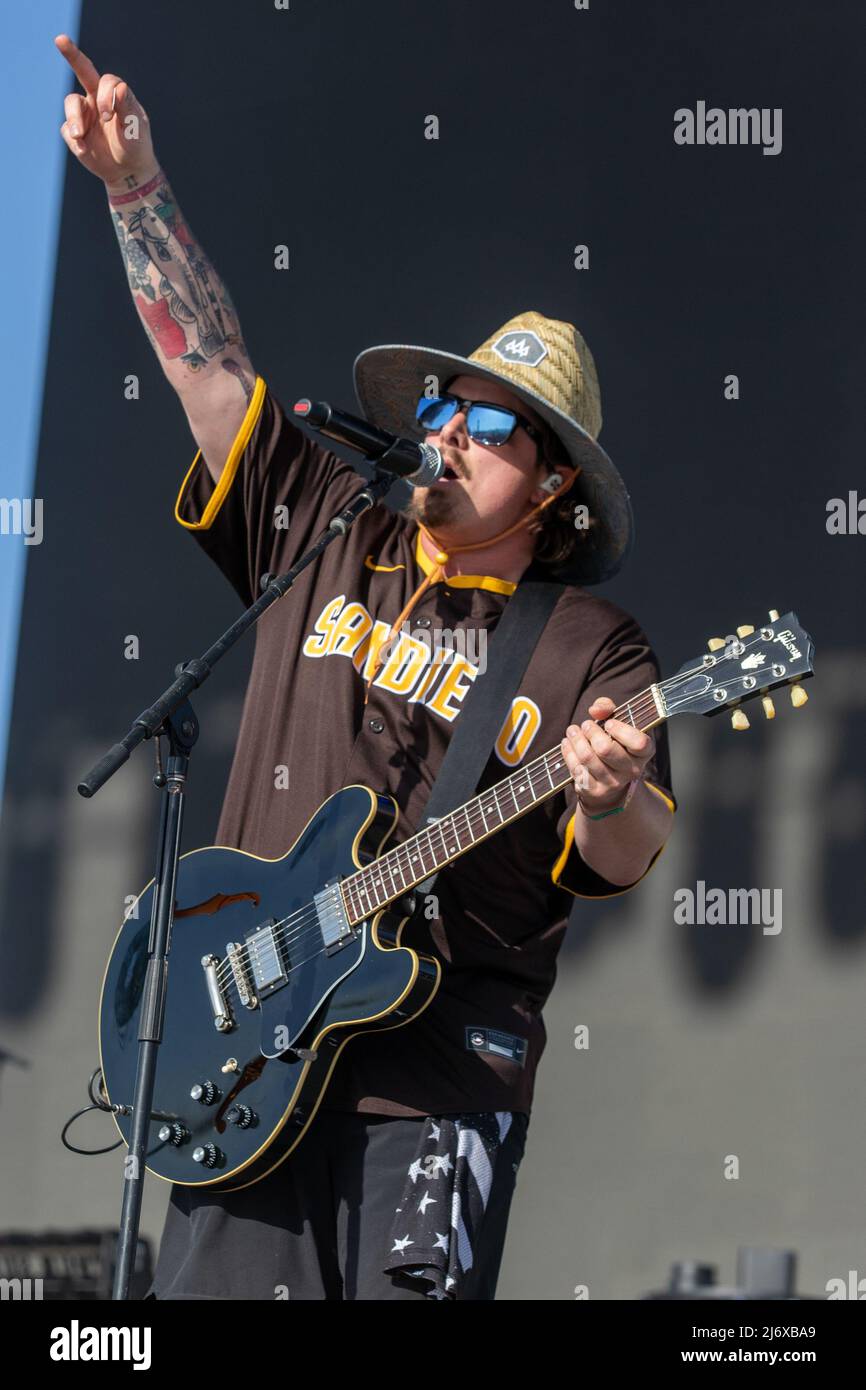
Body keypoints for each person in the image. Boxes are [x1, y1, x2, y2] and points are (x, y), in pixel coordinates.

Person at [57, 34, 677, 1301]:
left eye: (489, 421)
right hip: (239, 1064)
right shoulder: (332, 519)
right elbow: (209, 369)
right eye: (444, 402)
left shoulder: (578, 645)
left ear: (550, 478)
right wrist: (135, 189)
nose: (447, 425)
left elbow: (630, 849)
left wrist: (608, 794)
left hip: (425, 1083)